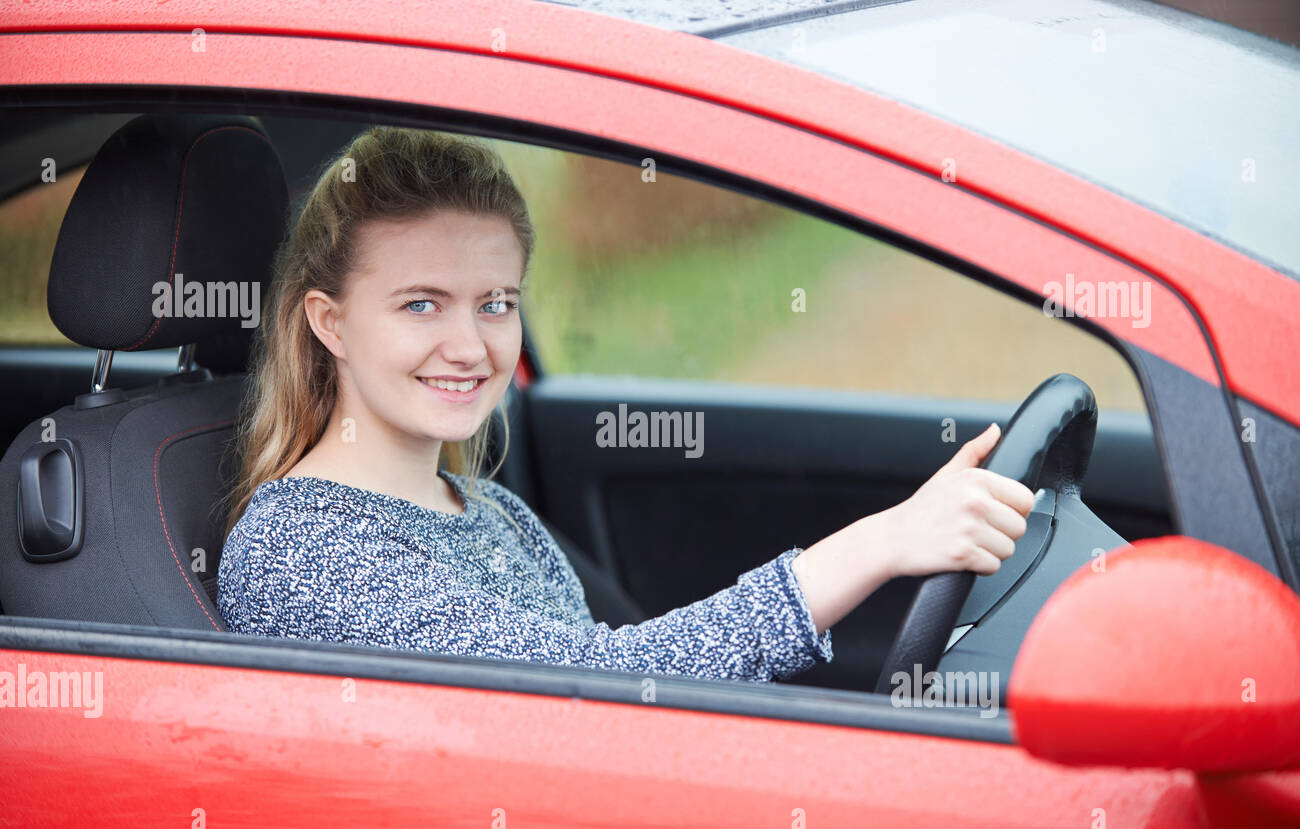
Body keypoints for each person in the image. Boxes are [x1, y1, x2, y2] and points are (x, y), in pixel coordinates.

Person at [216, 126, 1035, 683]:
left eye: (496, 303)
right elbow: (595, 689)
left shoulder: (489, 510)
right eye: (421, 305)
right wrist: (883, 541)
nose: (471, 347)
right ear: (331, 323)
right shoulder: (303, 550)